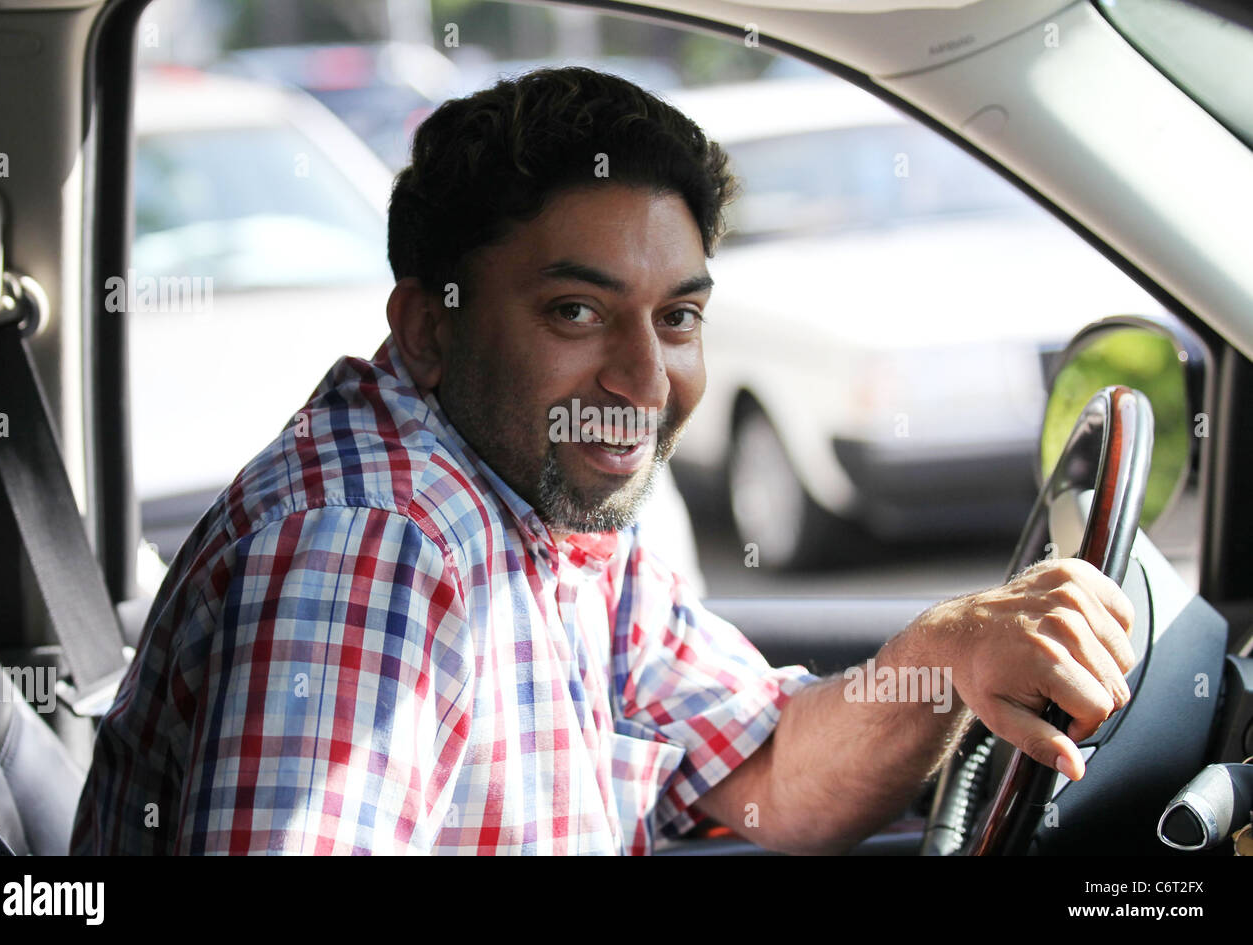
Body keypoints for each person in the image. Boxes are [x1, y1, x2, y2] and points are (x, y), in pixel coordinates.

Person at [71, 66, 1135, 855]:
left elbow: (767, 774)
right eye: (575, 311)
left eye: (676, 317)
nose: (642, 378)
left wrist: (950, 655)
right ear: (430, 329)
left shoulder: (552, 513)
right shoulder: (377, 551)